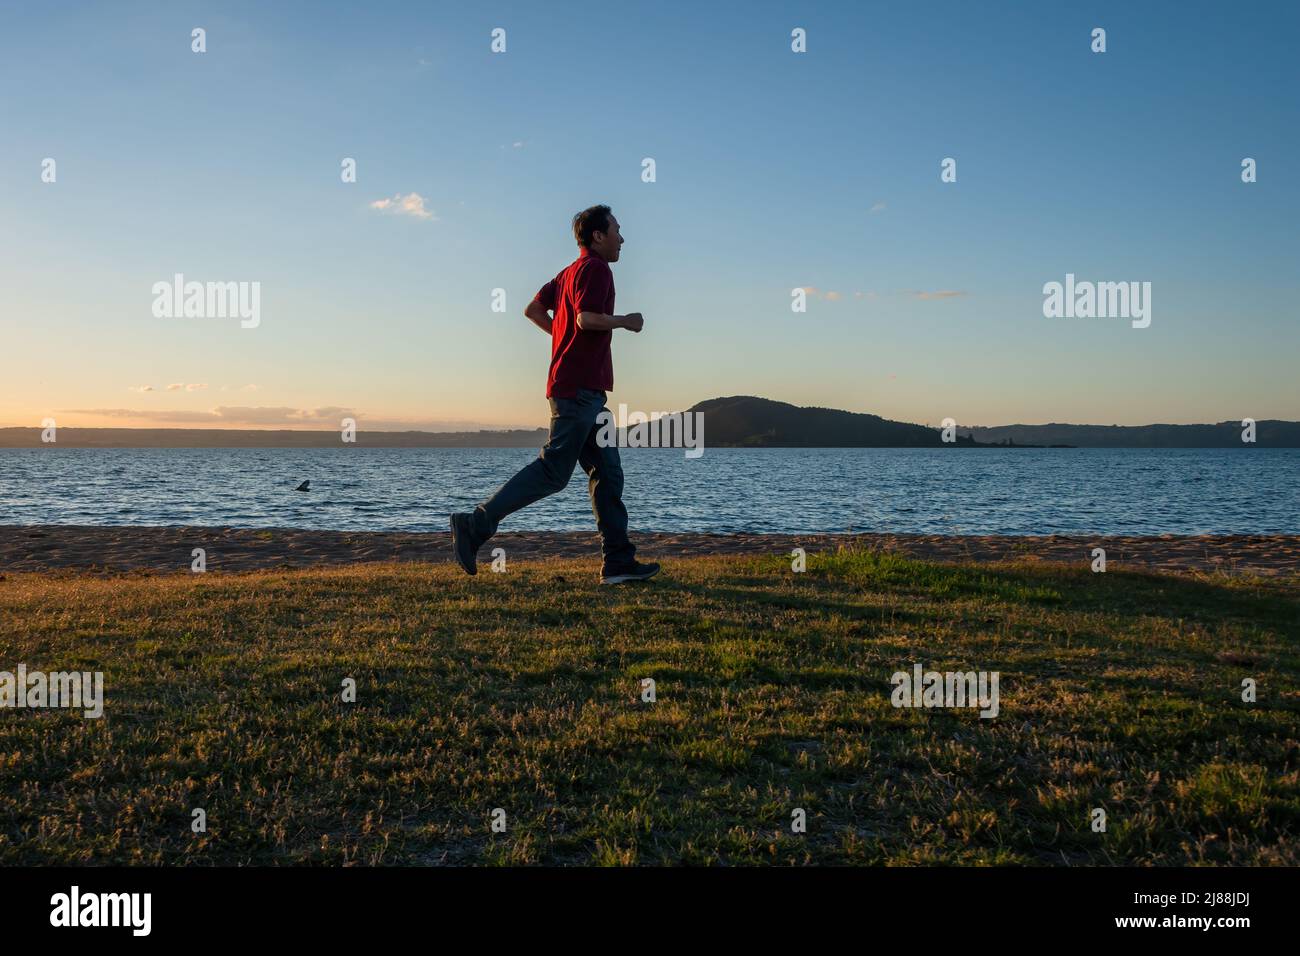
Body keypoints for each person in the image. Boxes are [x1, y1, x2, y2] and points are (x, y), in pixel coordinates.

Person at [450, 204, 660, 585]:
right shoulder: (596, 269)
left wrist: (561, 340)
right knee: (553, 471)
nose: (622, 238)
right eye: (616, 229)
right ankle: (475, 524)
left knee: (608, 474)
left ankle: (618, 562)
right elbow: (586, 319)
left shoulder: (566, 274)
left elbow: (532, 310)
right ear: (598, 235)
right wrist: (626, 322)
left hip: (584, 392)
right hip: (576, 391)